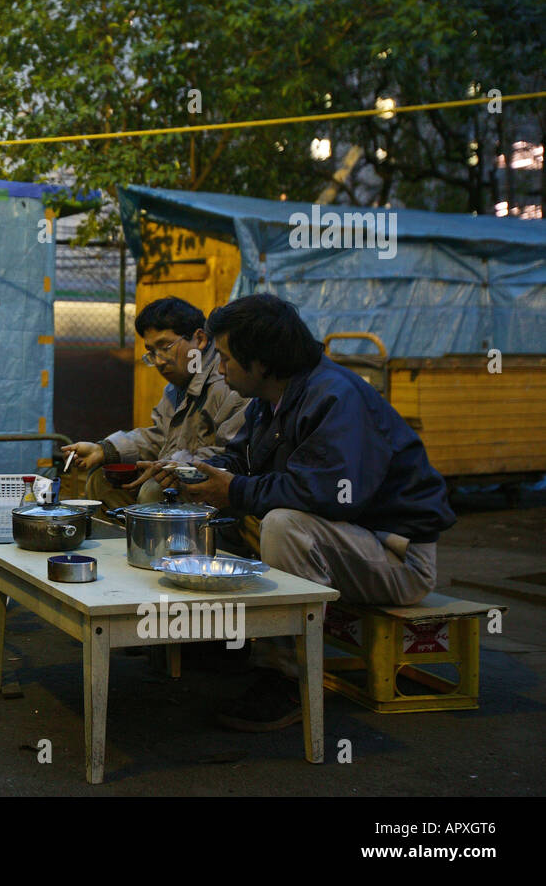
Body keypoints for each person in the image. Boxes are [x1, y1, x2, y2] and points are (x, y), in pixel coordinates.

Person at [151, 293, 456, 731]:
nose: (220, 369)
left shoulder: (335, 396)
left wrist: (234, 490)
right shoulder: (270, 399)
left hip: (397, 558)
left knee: (284, 524)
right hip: (350, 543)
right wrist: (198, 473)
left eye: (229, 359)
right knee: (220, 511)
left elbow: (330, 495)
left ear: (262, 362)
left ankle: (288, 679)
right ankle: (218, 643)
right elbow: (241, 462)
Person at [61, 296, 249, 506]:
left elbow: (233, 456)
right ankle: (130, 537)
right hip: (176, 474)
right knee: (102, 479)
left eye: (166, 346)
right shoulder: (176, 388)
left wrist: (173, 467)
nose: (159, 361)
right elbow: (160, 437)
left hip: (220, 490)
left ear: (200, 339)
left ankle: (156, 538)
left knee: (155, 490)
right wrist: (105, 450)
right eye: (151, 352)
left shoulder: (229, 382)